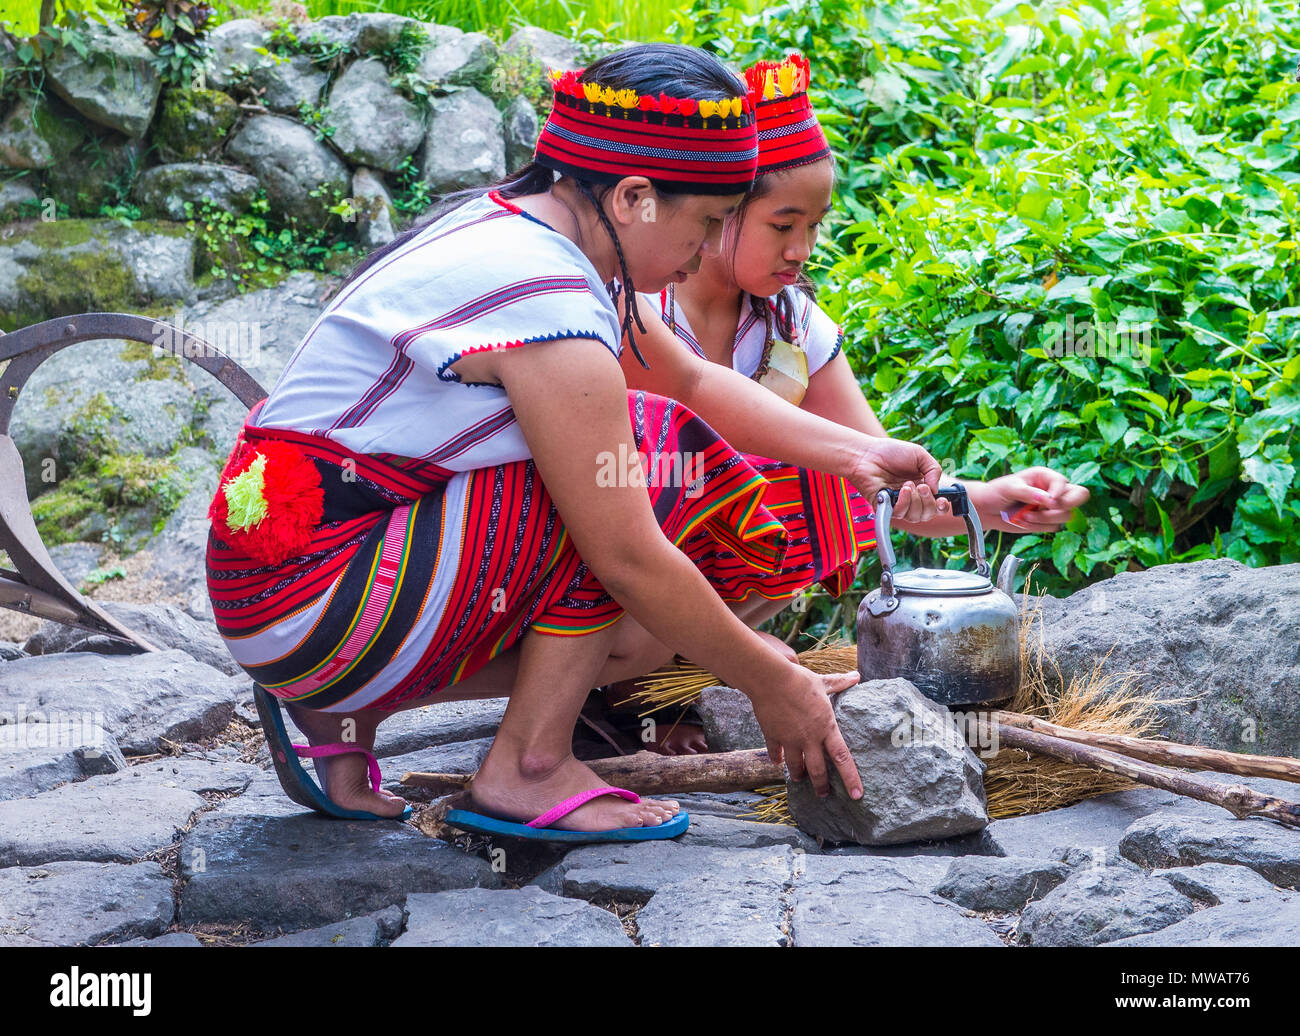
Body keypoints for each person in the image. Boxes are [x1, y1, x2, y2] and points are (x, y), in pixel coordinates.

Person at [205, 44, 950, 839]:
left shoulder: (508, 229)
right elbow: (627, 553)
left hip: (275, 581)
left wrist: (858, 455)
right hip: (312, 600)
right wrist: (773, 680)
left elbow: (692, 380)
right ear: (632, 197)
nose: (706, 253)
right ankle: (529, 761)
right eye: (705, 224)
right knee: (659, 455)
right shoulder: (550, 301)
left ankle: (341, 712)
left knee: (634, 491)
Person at [595, 53, 1091, 752]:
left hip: (695, 586)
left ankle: (687, 682)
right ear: (721, 210)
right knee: (701, 468)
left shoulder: (795, 328)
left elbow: (877, 475)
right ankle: (621, 689)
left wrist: (994, 501)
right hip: (613, 556)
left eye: (816, 226)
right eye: (782, 224)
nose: (802, 249)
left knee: (827, 490)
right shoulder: (631, 307)